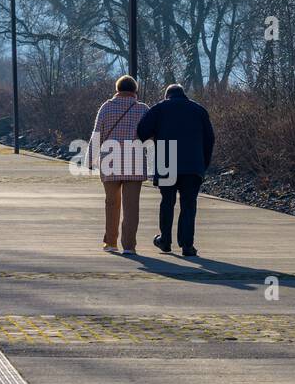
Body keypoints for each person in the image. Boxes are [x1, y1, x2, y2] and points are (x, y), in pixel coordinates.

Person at [136, 83, 215, 257]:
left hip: (167, 160)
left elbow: (141, 132)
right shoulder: (199, 110)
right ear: (183, 94)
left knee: (167, 202)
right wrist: (203, 164)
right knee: (188, 205)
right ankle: (187, 245)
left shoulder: (159, 108)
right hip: (193, 164)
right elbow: (210, 139)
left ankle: (165, 240)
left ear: (167, 96)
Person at [90, 75, 149, 254]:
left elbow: (97, 133)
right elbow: (151, 137)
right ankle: (129, 247)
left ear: (117, 89)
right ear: (134, 91)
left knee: (111, 203)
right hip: (135, 162)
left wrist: (90, 160)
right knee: (131, 207)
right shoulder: (143, 109)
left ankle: (111, 243)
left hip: (110, 161)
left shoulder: (106, 108)